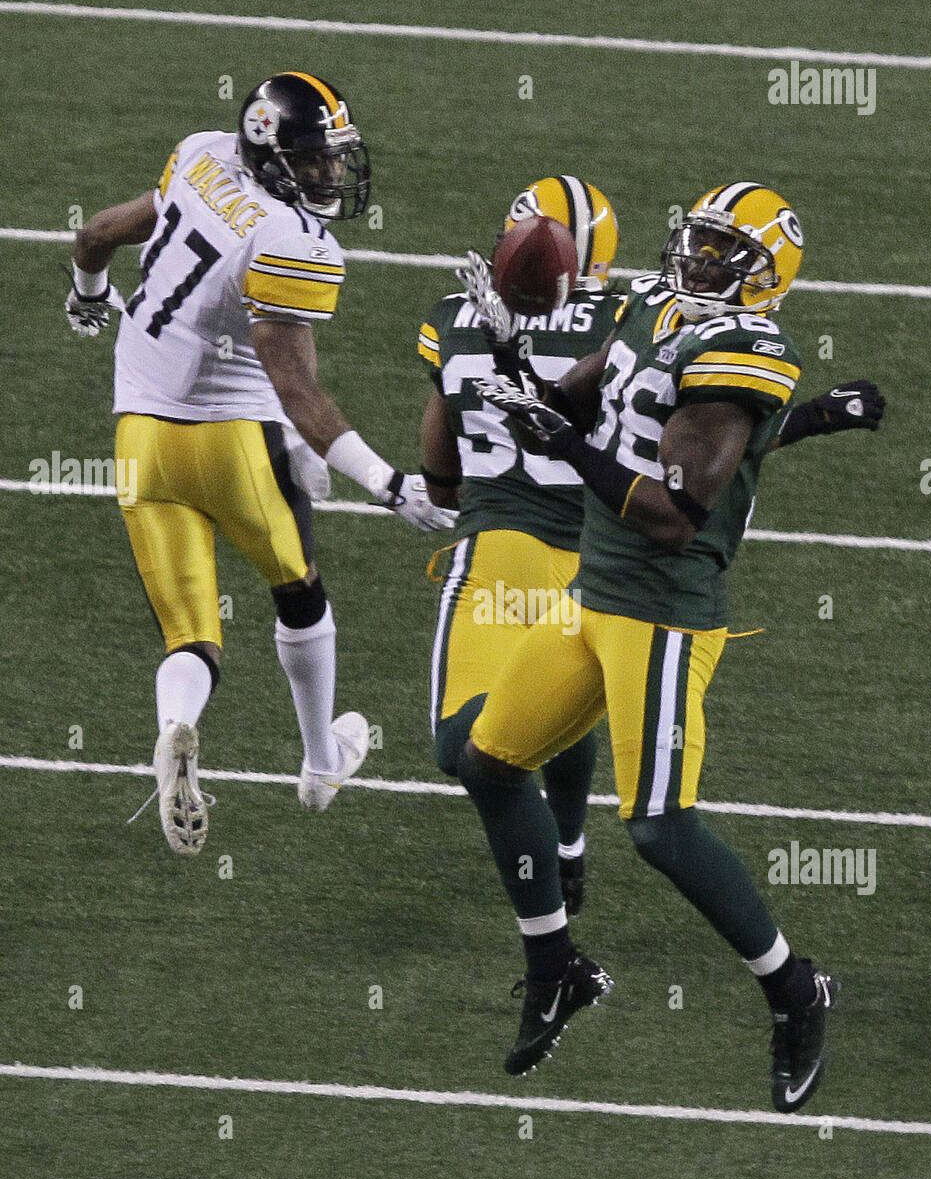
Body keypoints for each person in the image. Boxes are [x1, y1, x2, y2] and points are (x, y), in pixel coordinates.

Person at [456, 181, 884, 1111]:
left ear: (765, 277)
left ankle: (793, 989)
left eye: (723, 249)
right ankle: (558, 968)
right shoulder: (655, 305)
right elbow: (568, 408)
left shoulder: (747, 349)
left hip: (660, 610)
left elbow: (675, 517)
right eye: (696, 237)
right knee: (489, 761)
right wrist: (505, 346)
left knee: (656, 825)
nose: (697, 257)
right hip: (592, 594)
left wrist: (564, 448)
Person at [64, 71, 453, 857]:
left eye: (335, 156)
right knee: (298, 592)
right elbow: (297, 391)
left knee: (192, 634)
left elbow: (98, 232)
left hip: (140, 438)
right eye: (314, 159)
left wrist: (87, 293)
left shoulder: (200, 156)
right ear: (272, 152)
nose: (332, 174)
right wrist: (389, 486)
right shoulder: (292, 242)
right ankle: (318, 764)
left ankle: (177, 728)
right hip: (230, 443)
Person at [419, 176, 622, 914]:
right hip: (606, 559)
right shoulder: (633, 321)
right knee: (554, 693)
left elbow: (439, 461)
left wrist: (437, 490)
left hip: (502, 551)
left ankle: (550, 933)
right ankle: (567, 843)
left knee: (465, 747)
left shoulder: (453, 316)